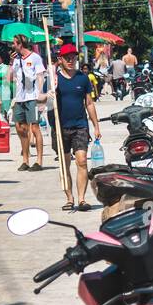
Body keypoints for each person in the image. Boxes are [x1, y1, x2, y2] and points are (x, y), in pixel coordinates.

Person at [51, 43, 101, 212]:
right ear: (60, 60)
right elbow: (41, 100)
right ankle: (69, 198)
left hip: (80, 126)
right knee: (64, 165)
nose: (71, 60)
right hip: (61, 127)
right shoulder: (54, 80)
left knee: (81, 161)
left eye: (73, 57)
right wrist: (48, 95)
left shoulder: (83, 78)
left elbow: (89, 103)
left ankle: (81, 199)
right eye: (67, 58)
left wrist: (96, 126)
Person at [9, 34, 47, 171]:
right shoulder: (16, 60)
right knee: (20, 128)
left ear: (20, 44)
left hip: (32, 97)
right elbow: (10, 78)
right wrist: (10, 63)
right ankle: (25, 159)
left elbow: (40, 76)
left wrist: (40, 93)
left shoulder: (35, 58)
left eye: (14, 43)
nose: (12, 46)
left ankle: (39, 161)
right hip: (20, 98)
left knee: (35, 128)